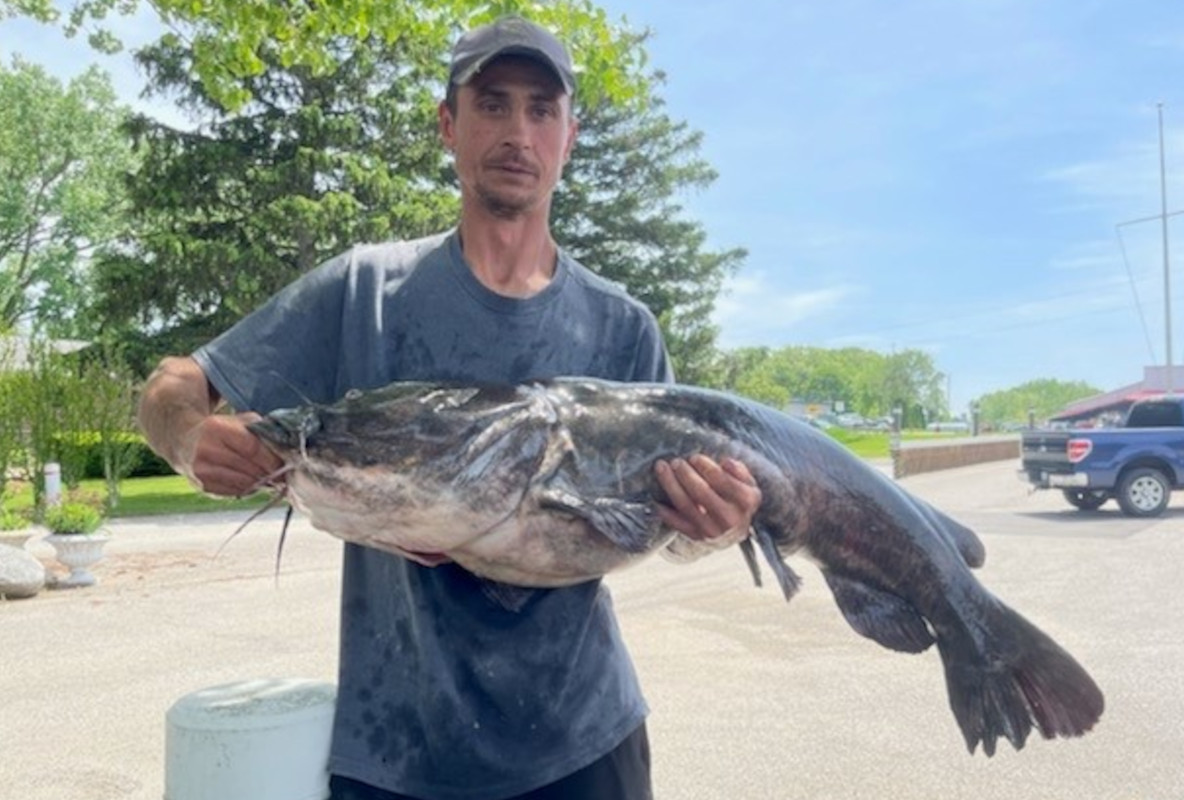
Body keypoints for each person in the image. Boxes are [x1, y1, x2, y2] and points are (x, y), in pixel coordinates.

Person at [138, 15, 762, 800]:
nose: (518, 132)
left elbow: (661, 535)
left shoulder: (622, 328)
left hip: (583, 747)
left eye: (541, 109)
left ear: (569, 136)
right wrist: (188, 440)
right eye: (492, 103)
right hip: (395, 750)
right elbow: (172, 387)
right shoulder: (364, 292)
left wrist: (715, 527)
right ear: (448, 125)